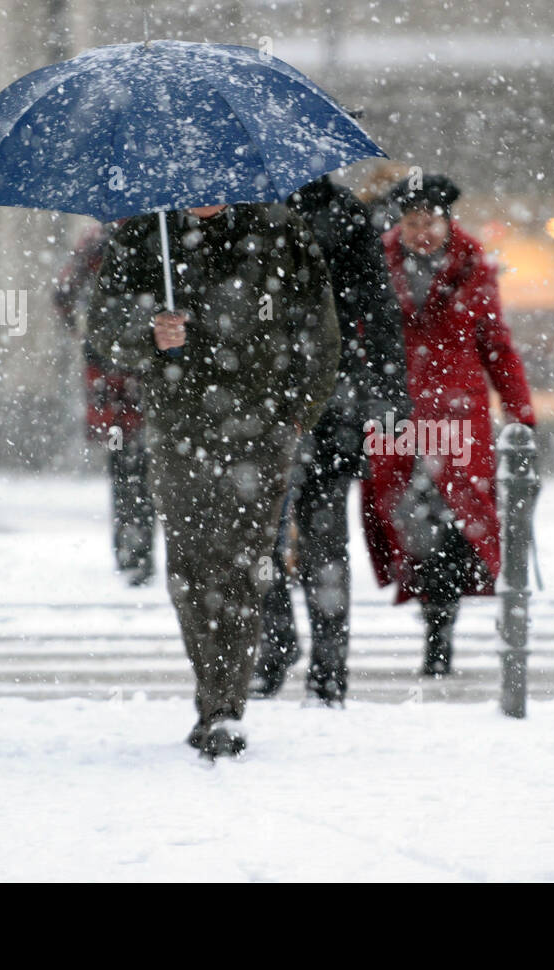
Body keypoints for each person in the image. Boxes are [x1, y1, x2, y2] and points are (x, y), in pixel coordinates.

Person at [89, 203, 338, 759]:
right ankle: (213, 690)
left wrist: (297, 411)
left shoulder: (280, 232)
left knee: (245, 564)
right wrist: (148, 335)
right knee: (192, 566)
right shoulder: (142, 235)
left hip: (263, 426)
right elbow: (103, 328)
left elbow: (319, 329)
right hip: (179, 426)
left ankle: (226, 707)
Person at [361, 174, 535, 675]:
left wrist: (521, 412)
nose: (422, 232)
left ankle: (441, 629)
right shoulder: (378, 261)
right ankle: (434, 617)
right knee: (409, 523)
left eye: (430, 222)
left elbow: (497, 344)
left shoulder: (473, 266)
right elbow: (359, 335)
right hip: (396, 416)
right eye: (412, 221)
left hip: (459, 417)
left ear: (447, 221)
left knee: (456, 522)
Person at [250, 176, 411, 704]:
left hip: (328, 395)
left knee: (321, 540)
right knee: (262, 536)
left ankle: (328, 666)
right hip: (265, 397)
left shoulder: (341, 213)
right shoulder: (246, 211)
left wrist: (388, 396)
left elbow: (380, 310)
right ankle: (278, 646)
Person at [54, 223, 156, 584]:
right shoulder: (159, 236)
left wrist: (82, 329)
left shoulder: (98, 242)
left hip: (109, 367)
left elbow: (64, 293)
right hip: (152, 364)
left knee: (125, 466)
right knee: (150, 463)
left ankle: (132, 551)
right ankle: (143, 550)